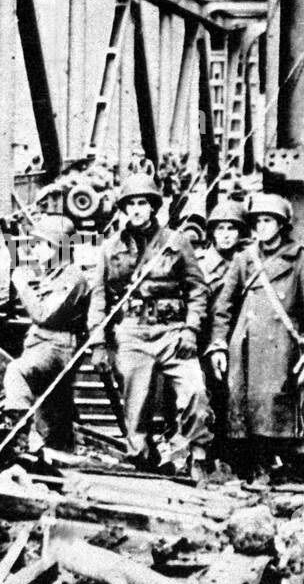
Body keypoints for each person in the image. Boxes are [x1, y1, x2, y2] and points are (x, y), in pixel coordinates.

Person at [88, 172, 212, 478]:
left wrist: (191, 328)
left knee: (195, 390)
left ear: (153, 206)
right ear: (124, 209)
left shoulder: (176, 241)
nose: (136, 210)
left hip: (172, 331)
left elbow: (198, 289)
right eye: (130, 204)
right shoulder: (109, 247)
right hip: (132, 332)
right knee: (136, 404)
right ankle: (143, 459)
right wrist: (98, 343)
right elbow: (99, 297)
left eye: (142, 203)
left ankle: (195, 455)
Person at [208, 193, 304, 480]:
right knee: (242, 409)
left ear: (281, 224)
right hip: (246, 345)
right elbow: (223, 307)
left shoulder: (302, 259)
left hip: (282, 347)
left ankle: (279, 467)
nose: (262, 227)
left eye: (268, 220)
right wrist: (218, 344)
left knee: (276, 408)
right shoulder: (244, 257)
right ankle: (249, 469)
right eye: (257, 221)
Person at [3, 215, 90, 453]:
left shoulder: (72, 277)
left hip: (58, 346)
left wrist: (21, 284)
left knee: (16, 371)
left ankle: (17, 435)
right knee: (53, 412)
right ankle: (57, 449)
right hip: (42, 344)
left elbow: (44, 315)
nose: (35, 249)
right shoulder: (51, 273)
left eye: (43, 244)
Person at [199, 199, 247, 472]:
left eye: (232, 228)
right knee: (210, 396)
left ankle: (235, 458)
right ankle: (207, 454)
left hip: (239, 337)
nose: (226, 234)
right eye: (220, 229)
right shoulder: (201, 264)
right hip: (206, 339)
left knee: (236, 398)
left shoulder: (248, 263)